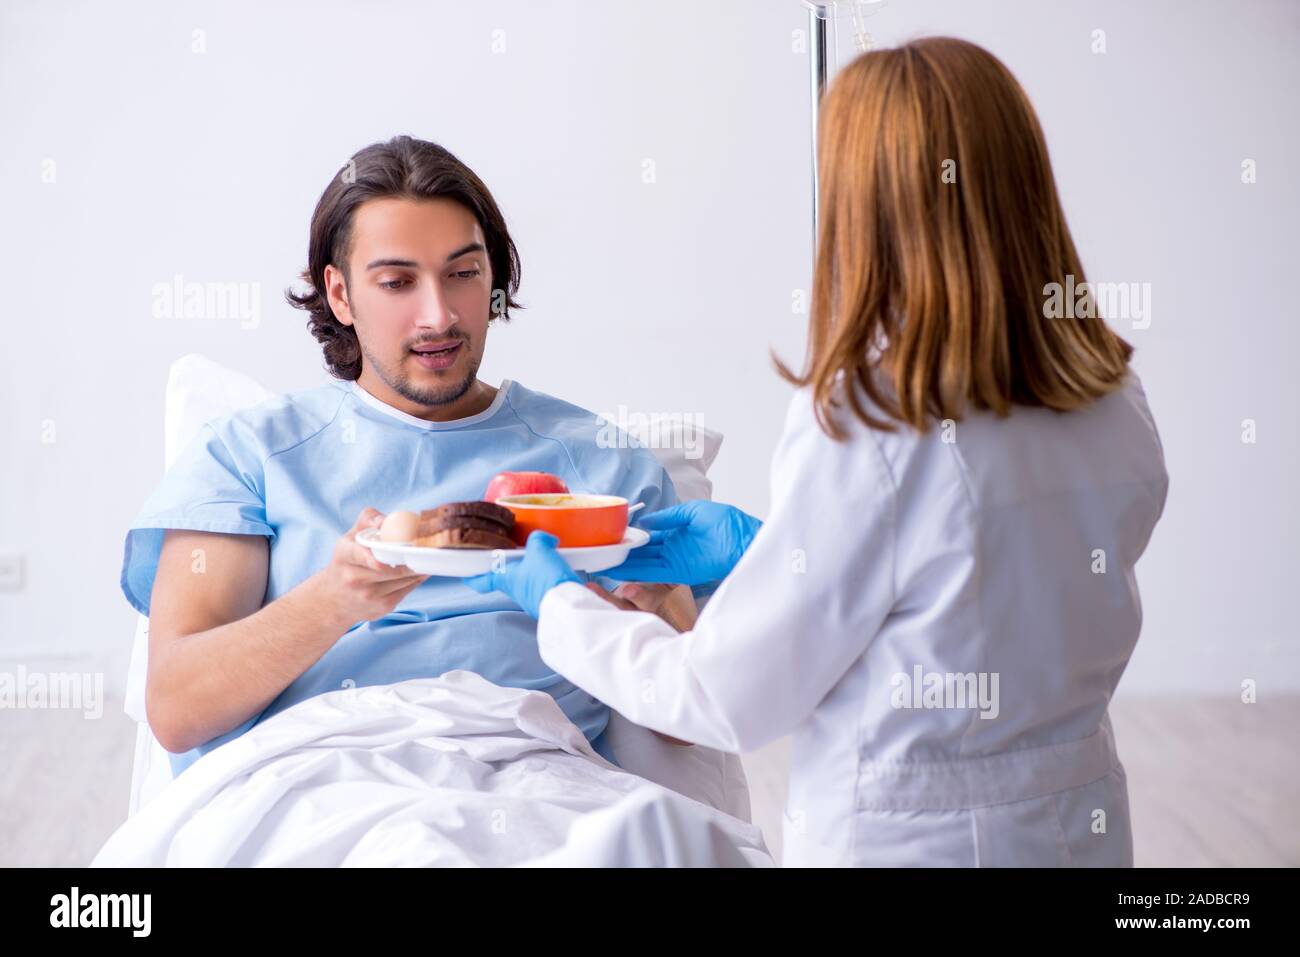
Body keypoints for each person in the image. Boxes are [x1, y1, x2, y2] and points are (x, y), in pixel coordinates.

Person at [464, 37, 1170, 866]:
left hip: (914, 840)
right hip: (1079, 823)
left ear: (865, 201)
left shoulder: (874, 412)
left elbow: (726, 698)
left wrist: (558, 605)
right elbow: (979, 583)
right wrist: (775, 553)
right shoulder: (1109, 395)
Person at [122, 135, 689, 777]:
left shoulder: (600, 463)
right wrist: (333, 601)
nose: (438, 315)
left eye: (464, 274)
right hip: (317, 785)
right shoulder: (249, 454)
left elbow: (691, 715)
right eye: (397, 281)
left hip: (543, 785)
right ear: (339, 295)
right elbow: (175, 708)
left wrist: (649, 624)